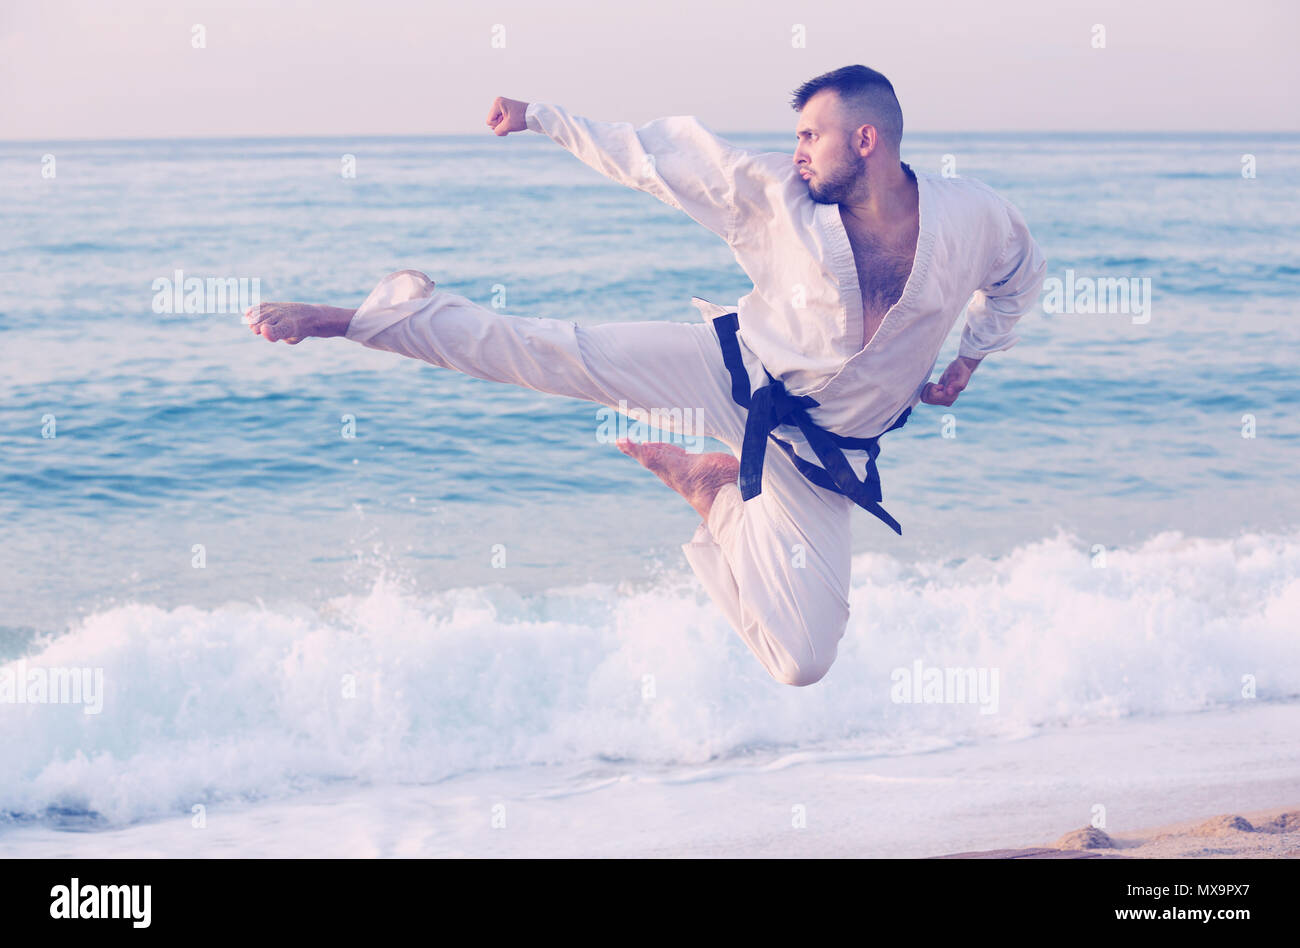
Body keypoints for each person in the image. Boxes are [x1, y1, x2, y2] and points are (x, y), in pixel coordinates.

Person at [245, 65, 1047, 687]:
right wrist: (541, 119)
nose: (798, 149)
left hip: (823, 452)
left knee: (801, 662)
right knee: (554, 351)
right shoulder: (777, 193)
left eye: (812, 134)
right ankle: (353, 318)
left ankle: (715, 491)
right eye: (796, 136)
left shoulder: (970, 217)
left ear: (865, 140)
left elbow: (1018, 274)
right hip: (733, 370)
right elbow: (655, 160)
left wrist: (969, 356)